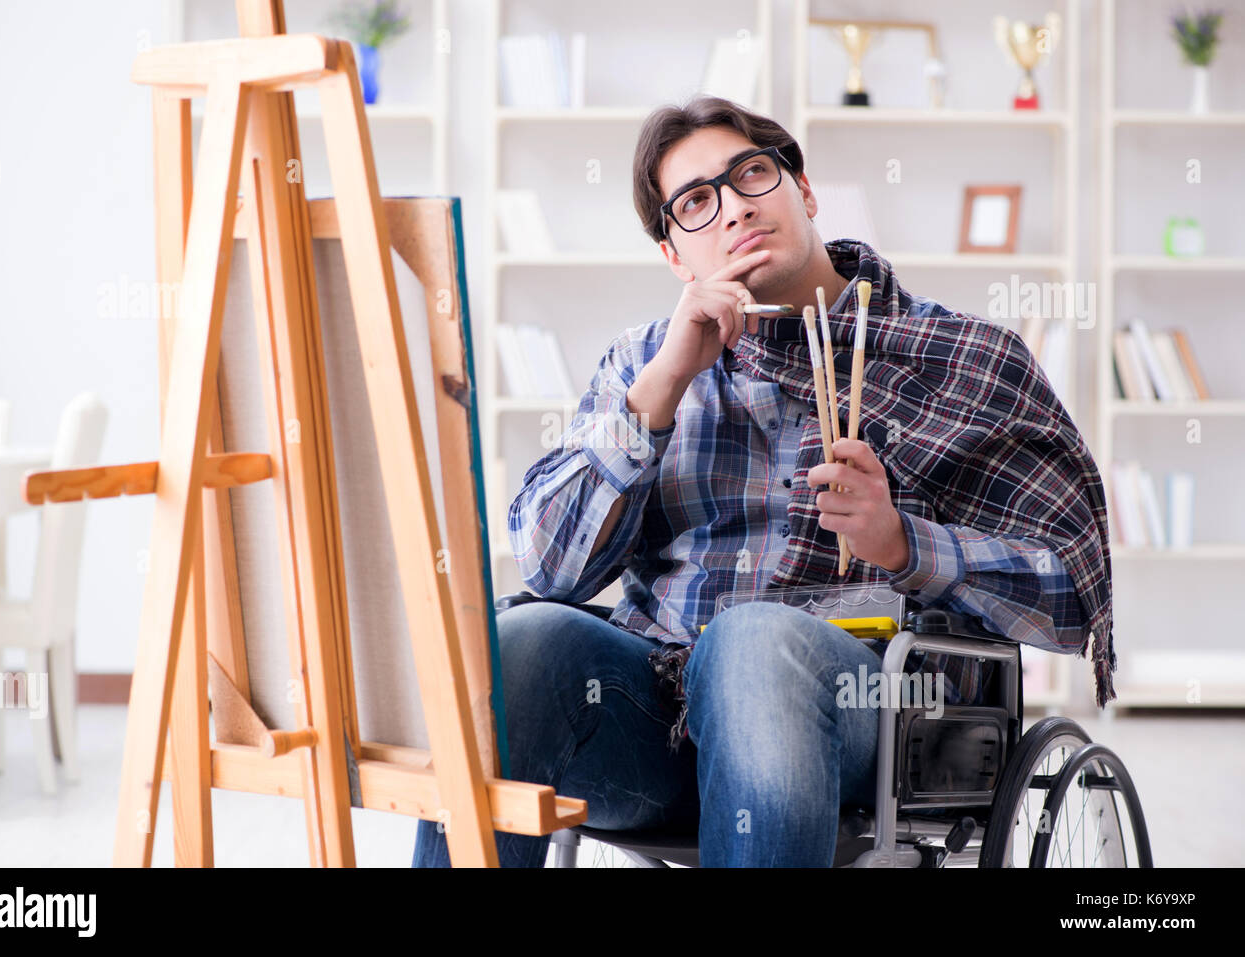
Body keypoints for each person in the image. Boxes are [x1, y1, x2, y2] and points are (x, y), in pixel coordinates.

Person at [412, 95, 1113, 867]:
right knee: (514, 647)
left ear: (804, 193)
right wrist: (664, 385)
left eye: (752, 175)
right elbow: (549, 567)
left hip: (871, 720)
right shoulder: (645, 360)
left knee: (754, 643)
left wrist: (903, 542)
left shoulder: (965, 357)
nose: (735, 210)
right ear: (675, 257)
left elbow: (1071, 597)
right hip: (657, 724)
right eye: (696, 202)